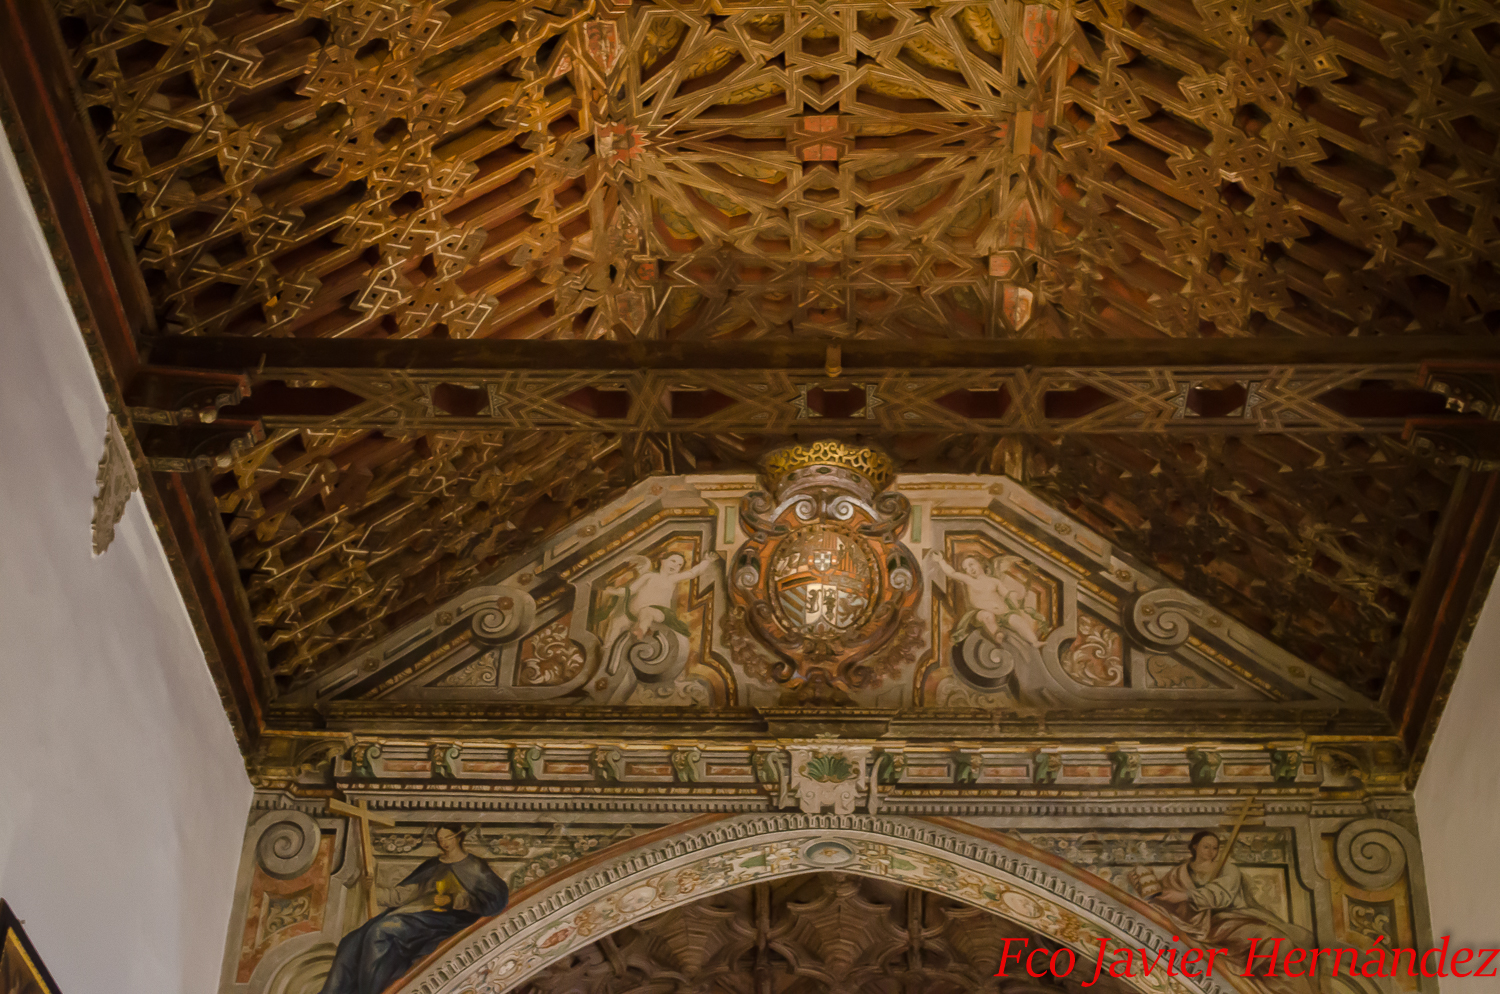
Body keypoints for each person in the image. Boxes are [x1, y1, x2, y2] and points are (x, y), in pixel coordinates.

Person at [319, 826, 508, 994]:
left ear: (459, 837)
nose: (443, 843)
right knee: (351, 941)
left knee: (381, 931)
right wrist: (373, 891)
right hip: (419, 913)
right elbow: (406, 894)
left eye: (447, 838)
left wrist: (453, 900)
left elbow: (494, 901)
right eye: (440, 840)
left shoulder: (474, 867)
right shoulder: (434, 865)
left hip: (448, 921)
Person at [1150, 831, 1322, 994]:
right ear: (1194, 847)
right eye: (1206, 847)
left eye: (1215, 847)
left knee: (1277, 942)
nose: (1212, 852)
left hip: (1232, 921)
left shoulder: (1228, 869)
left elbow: (1221, 895)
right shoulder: (1178, 873)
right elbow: (1162, 898)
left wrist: (1185, 895)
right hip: (1198, 926)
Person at [593, 551, 719, 647]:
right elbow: (630, 590)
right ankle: (607, 648)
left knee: (646, 611)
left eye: (679, 565)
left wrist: (706, 561)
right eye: (673, 561)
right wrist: (612, 591)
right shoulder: (649, 576)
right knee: (617, 621)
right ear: (663, 561)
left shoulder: (672, 579)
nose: (676, 566)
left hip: (659, 612)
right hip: (631, 614)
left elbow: (693, 573)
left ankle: (640, 631)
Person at [928, 551, 1047, 647]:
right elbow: (952, 572)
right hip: (980, 613)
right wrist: (941, 561)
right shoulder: (970, 581)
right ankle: (997, 634)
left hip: (1003, 613)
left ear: (980, 563)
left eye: (971, 564)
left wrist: (1013, 596)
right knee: (987, 616)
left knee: (1016, 619)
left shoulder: (994, 581)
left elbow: (1006, 594)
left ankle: (1034, 641)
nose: (969, 569)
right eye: (966, 569)